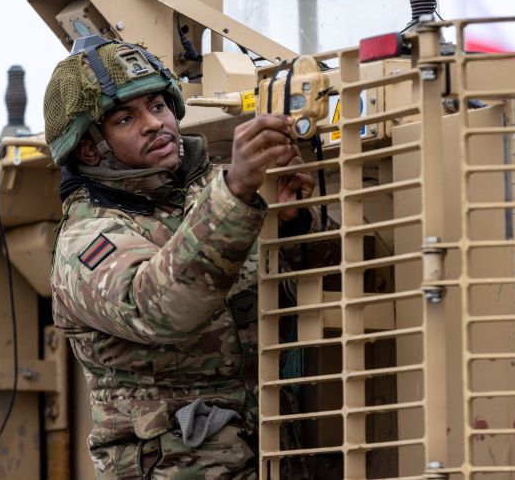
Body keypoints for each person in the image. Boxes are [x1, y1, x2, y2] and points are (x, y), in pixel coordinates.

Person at [46, 35, 326, 479]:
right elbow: (158, 308)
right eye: (126, 118)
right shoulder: (87, 239)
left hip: (276, 455)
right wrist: (235, 193)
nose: (154, 124)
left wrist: (292, 225)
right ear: (88, 148)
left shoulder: (212, 193)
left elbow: (316, 288)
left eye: (157, 107)